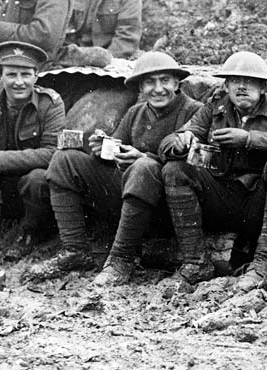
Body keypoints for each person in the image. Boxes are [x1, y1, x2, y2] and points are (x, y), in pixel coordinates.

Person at [25, 52, 202, 283]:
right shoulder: (136, 112)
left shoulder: (194, 111)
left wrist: (144, 157)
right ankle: (75, 251)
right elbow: (116, 148)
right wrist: (103, 149)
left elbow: (194, 167)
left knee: (144, 166)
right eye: (149, 82)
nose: (158, 89)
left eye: (165, 80)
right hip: (131, 199)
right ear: (140, 87)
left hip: (169, 208)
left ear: (177, 83)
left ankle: (121, 260)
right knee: (64, 159)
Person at [158, 51, 267, 293]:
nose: (241, 87)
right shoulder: (215, 107)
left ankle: (263, 264)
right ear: (226, 85)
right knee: (175, 169)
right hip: (221, 196)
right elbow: (169, 142)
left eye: (250, 81)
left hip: (263, 202)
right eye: (234, 80)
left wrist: (249, 139)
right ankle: (195, 263)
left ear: (263, 87)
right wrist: (181, 140)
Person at [0, 42, 64, 250]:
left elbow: (54, 153)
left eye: (25, 74)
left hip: (32, 190)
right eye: (11, 75)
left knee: (37, 179)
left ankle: (29, 233)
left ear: (36, 76)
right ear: (0, 77)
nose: (19, 82)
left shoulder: (50, 104)